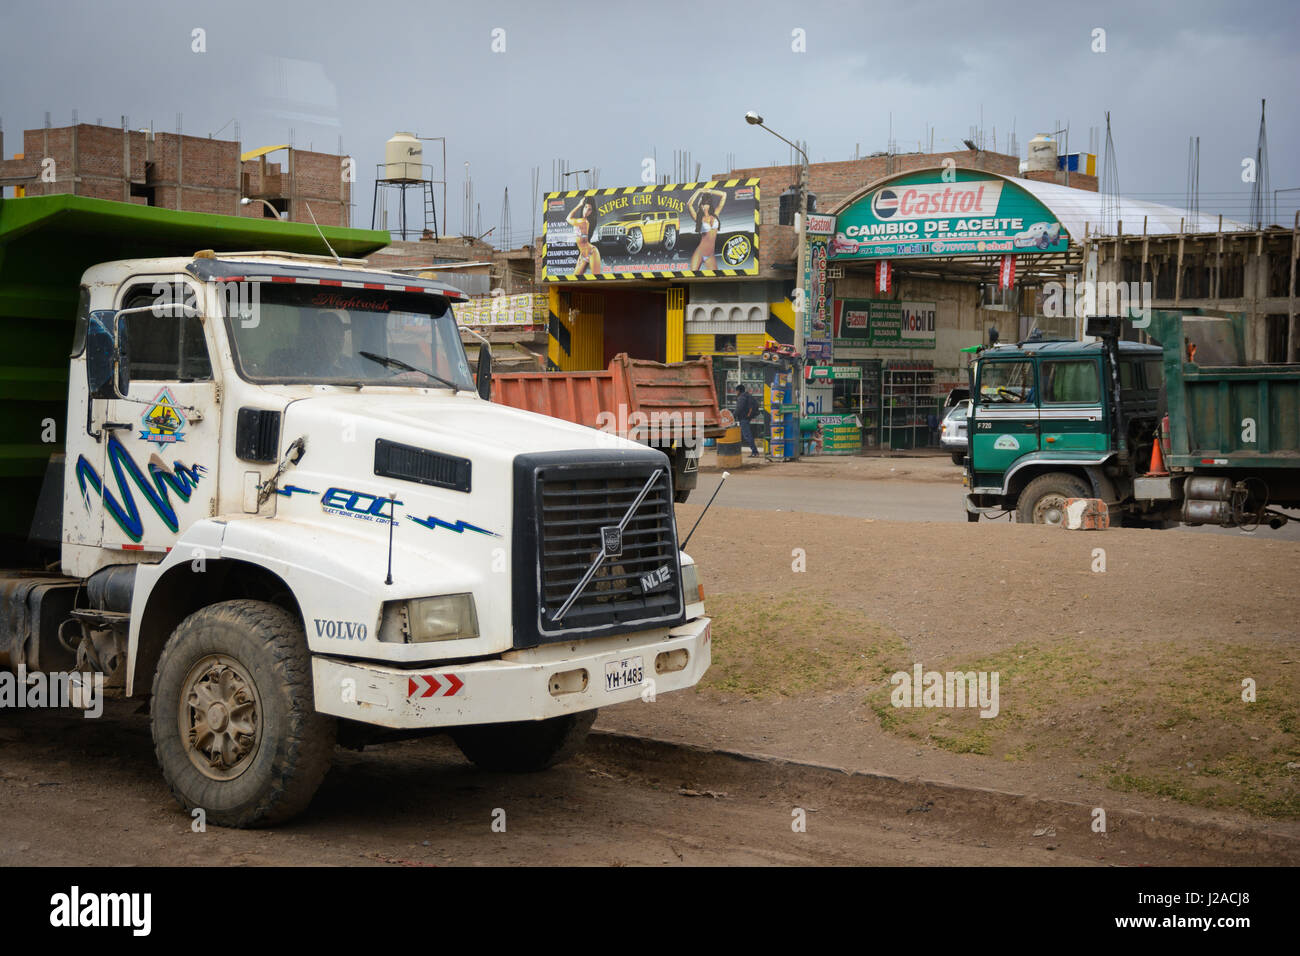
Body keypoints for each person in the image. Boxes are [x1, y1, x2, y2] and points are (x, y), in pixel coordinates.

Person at [687, 187, 727, 270]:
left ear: (709, 204)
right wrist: (698, 190)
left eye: (706, 203)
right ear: (700, 205)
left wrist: (710, 191)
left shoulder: (715, 214)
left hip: (710, 255)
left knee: (715, 278)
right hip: (700, 252)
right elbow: (689, 204)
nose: (704, 205)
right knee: (691, 277)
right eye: (702, 203)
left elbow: (724, 194)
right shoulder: (698, 218)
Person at [566, 198, 603, 275]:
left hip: (592, 252)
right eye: (585, 207)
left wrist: (579, 205)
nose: (586, 211)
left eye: (589, 209)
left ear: (591, 212)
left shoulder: (584, 222)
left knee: (596, 279)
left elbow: (568, 218)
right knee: (574, 278)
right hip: (583, 254)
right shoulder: (582, 221)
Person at [734, 384, 761, 458]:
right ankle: (755, 451)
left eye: (736, 391)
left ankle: (755, 452)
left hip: (744, 418)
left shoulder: (742, 397)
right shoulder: (747, 395)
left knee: (747, 435)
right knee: (747, 434)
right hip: (747, 417)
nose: (735, 393)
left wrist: (733, 415)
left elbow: (739, 408)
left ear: (738, 391)